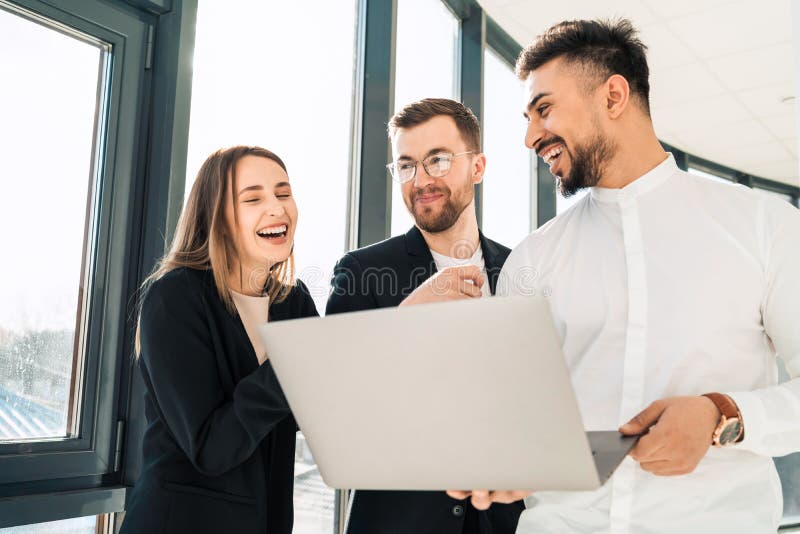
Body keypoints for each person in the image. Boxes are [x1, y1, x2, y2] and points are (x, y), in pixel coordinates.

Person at [449, 18, 800, 533]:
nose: (529, 137)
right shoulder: (531, 260)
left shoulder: (765, 227)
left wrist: (722, 417)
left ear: (613, 95)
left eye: (544, 109)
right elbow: (514, 422)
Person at [326, 98, 525, 534]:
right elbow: (336, 414)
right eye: (407, 165)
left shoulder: (522, 269)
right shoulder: (361, 272)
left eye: (437, 160)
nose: (421, 180)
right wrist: (405, 321)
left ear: (478, 166)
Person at [120, 146, 317, 534]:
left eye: (283, 192)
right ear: (219, 218)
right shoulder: (175, 296)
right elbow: (211, 448)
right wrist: (296, 360)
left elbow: (322, 413)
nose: (277, 208)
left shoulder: (294, 302)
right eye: (253, 198)